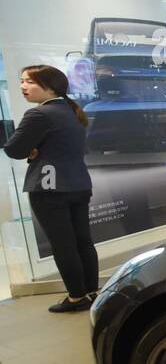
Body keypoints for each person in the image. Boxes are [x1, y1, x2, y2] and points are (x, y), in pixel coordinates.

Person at [1, 65, 98, 312]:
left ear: (50, 86)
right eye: (21, 81)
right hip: (78, 183)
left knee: (63, 245)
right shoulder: (71, 110)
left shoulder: (39, 115)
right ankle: (91, 292)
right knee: (82, 242)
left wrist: (33, 150)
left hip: (50, 188)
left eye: (29, 82)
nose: (23, 87)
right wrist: (35, 149)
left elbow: (14, 149)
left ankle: (76, 298)